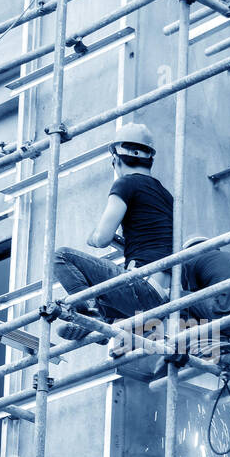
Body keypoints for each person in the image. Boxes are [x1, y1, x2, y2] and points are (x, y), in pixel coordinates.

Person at [53, 122, 173, 342]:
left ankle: (92, 313)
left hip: (142, 287)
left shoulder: (126, 184)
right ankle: (103, 319)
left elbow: (102, 238)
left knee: (60, 256)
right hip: (161, 296)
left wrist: (94, 237)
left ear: (116, 158)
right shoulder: (164, 195)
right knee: (106, 289)